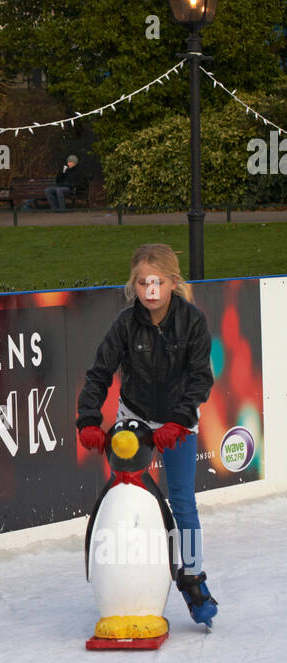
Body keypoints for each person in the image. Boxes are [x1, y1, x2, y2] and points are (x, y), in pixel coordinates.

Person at [76, 242, 218, 627]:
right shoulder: (125, 324)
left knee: (182, 502)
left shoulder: (192, 321)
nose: (149, 290)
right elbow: (99, 373)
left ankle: (192, 579)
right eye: (142, 283)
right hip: (134, 420)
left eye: (156, 282)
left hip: (177, 421)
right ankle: (120, 581)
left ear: (172, 282)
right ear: (134, 285)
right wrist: (88, 419)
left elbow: (201, 377)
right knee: (122, 497)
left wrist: (180, 418)